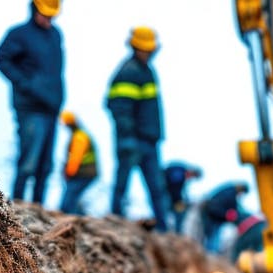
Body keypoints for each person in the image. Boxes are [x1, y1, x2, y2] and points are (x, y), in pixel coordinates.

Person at [0, 0, 64, 204]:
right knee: (28, 163)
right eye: (45, 15)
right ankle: (17, 209)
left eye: (52, 16)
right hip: (30, 108)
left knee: (45, 166)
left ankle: (38, 210)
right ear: (34, 9)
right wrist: (26, 84)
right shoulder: (19, 34)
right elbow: (1, 59)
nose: (49, 20)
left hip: (51, 107)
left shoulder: (55, 35)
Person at [105, 26, 167, 231]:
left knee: (157, 190)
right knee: (122, 186)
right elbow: (117, 105)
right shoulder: (128, 72)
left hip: (149, 140)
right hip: (133, 140)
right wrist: (127, 136)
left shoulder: (148, 71)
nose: (149, 53)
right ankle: (114, 223)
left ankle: (165, 231)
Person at [59, 110, 98, 214]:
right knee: (73, 198)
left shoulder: (79, 137)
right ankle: (76, 216)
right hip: (85, 173)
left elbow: (76, 157)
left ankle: (69, 218)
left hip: (83, 173)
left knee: (67, 201)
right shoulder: (80, 134)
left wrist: (69, 172)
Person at [200, 181, 251, 252]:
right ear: (241, 191)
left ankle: (210, 255)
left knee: (212, 238)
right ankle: (210, 255)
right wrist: (226, 214)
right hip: (213, 218)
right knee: (212, 239)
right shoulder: (230, 194)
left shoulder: (229, 192)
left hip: (214, 217)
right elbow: (215, 207)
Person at [164, 162, 203, 233]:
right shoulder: (179, 172)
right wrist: (179, 200)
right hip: (164, 194)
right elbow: (174, 187)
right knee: (164, 210)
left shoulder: (183, 177)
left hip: (171, 197)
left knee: (180, 211)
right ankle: (163, 229)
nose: (192, 178)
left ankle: (176, 231)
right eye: (194, 175)